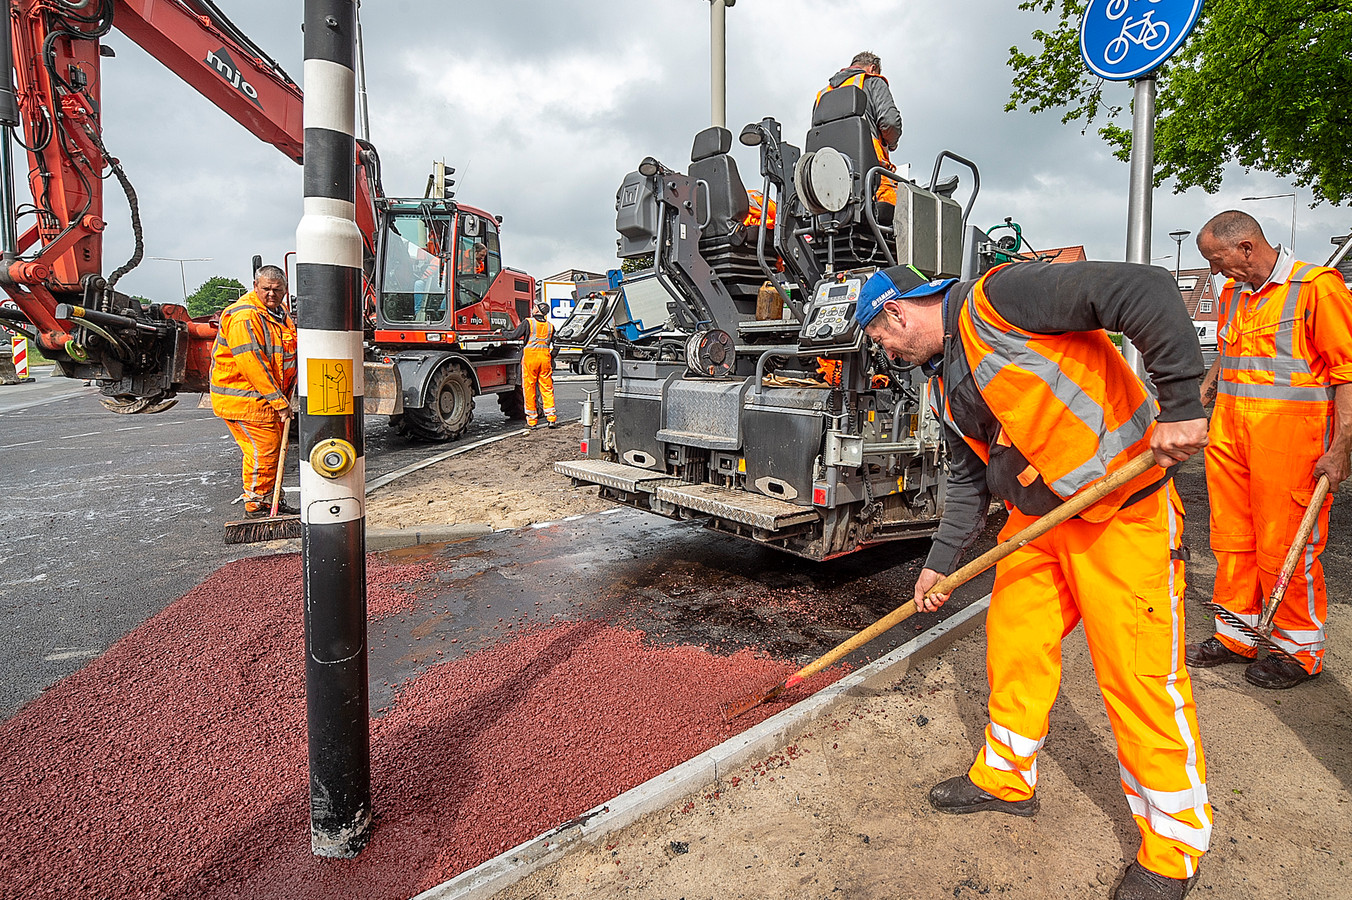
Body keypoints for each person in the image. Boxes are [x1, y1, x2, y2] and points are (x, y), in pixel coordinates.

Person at [856, 261, 1212, 900]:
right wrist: (938, 563)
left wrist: (1181, 402)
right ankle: (1006, 777)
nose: (882, 351)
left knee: (1138, 676)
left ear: (897, 312)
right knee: (1014, 644)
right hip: (1037, 521)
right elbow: (967, 482)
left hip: (1121, 511)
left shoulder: (1001, 299)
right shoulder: (943, 386)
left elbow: (1146, 289)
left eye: (878, 336)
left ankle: (1173, 845)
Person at [1186, 210, 1352, 689]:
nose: (1215, 272)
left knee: (1285, 545)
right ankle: (1237, 634)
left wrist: (1341, 449)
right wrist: (1202, 396)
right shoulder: (1233, 292)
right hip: (1231, 439)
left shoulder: (1316, 288)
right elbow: (1227, 353)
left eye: (1218, 261)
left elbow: (1347, 372)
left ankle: (1297, 651)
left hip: (1291, 443)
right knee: (1232, 538)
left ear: (1246, 248)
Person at [210, 266, 298, 519]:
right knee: (264, 449)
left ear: (285, 289)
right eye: (266, 289)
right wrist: (279, 402)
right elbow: (253, 365)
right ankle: (256, 504)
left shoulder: (279, 314)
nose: (271, 293)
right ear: (255, 286)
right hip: (246, 401)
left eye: (277, 289)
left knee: (274, 449)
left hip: (265, 400)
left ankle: (273, 502)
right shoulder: (245, 317)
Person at [815, 51, 902, 207]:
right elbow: (890, 123)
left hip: (826, 188)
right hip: (871, 179)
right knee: (904, 210)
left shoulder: (822, 95)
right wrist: (892, 143)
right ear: (872, 68)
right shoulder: (872, 82)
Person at [503, 302, 557, 429]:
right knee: (547, 388)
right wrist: (551, 355)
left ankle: (532, 422)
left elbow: (513, 335)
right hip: (545, 359)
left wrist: (503, 331)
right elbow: (557, 343)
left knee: (529, 388)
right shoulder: (550, 326)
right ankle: (551, 419)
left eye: (535, 307)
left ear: (537, 311)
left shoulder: (528, 322)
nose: (532, 308)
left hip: (530, 359)